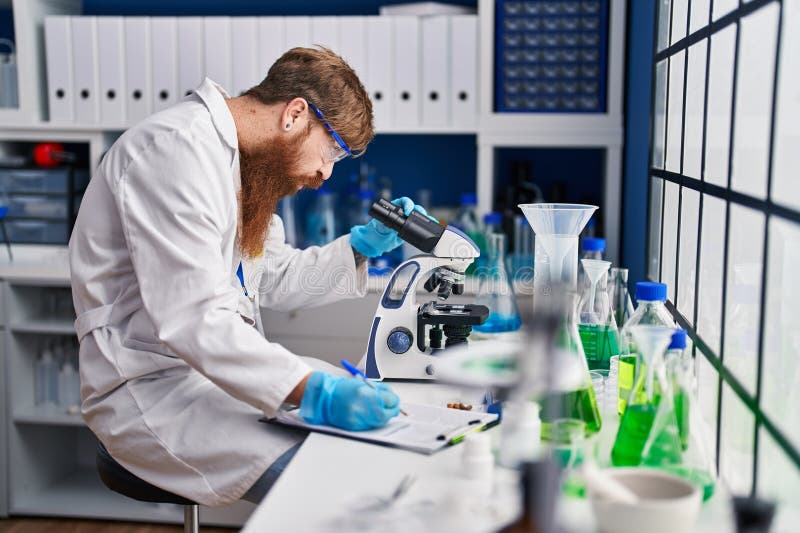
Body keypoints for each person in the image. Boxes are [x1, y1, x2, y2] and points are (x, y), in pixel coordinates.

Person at [69, 47, 424, 507]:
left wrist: (359, 248)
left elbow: (271, 275)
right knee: (342, 481)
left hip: (215, 377)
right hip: (151, 393)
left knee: (389, 440)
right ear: (295, 113)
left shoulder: (242, 169)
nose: (325, 173)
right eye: (331, 149)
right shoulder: (175, 152)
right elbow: (194, 319)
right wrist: (315, 390)